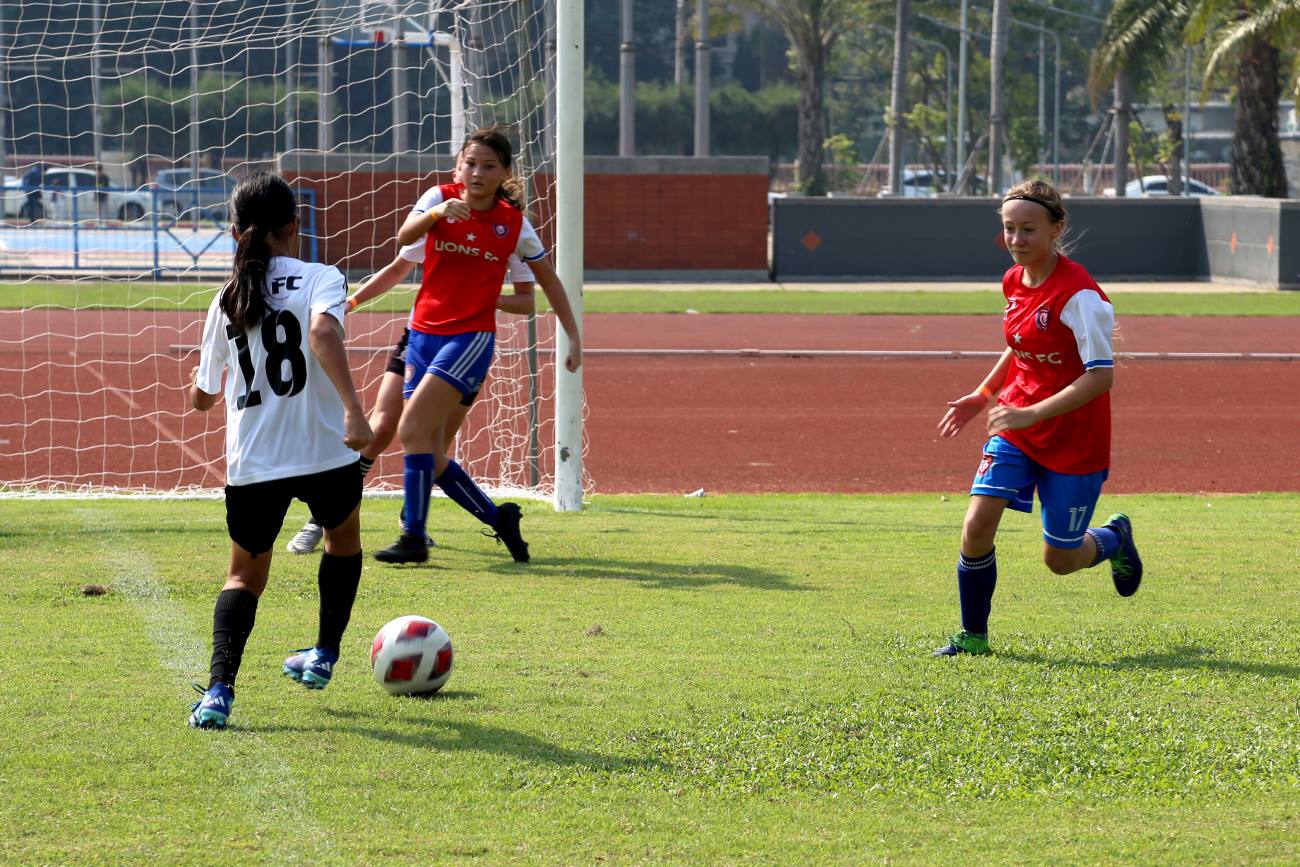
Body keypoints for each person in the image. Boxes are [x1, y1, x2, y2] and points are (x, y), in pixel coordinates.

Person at [185, 171, 373, 728]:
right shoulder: (322, 276)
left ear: (236, 232)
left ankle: (219, 691)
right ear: (294, 226)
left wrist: (198, 388)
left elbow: (203, 397)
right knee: (343, 539)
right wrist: (355, 411)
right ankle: (323, 655)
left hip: (255, 458)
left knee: (244, 575)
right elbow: (321, 334)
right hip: (324, 451)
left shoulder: (226, 297)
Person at [932, 179, 1143, 657]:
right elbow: (1020, 345)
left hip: (1074, 439)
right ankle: (973, 636)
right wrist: (983, 395)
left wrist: (1031, 414)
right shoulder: (1012, 280)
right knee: (977, 523)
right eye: (1009, 229)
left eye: (1028, 229)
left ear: (1056, 229)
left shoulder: (1080, 296)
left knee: (1061, 560)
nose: (1016, 239)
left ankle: (1114, 538)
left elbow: (1100, 377)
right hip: (1018, 428)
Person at [374, 124, 582, 565]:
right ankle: (498, 517)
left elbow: (549, 286)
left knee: (410, 431)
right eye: (470, 163)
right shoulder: (438, 199)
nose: (477, 172)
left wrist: (574, 336)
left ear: (505, 173)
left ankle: (413, 537)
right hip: (422, 334)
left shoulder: (513, 224)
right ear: (458, 166)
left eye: (489, 166)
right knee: (426, 450)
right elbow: (403, 238)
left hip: (468, 338)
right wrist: (436, 214)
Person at [285, 248, 536, 554]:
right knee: (379, 429)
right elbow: (397, 267)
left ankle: (416, 522)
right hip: (420, 338)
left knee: (433, 453)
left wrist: (483, 299)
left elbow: (528, 300)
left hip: (468, 347)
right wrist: (352, 302)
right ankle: (324, 518)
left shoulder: (510, 228)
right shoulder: (438, 211)